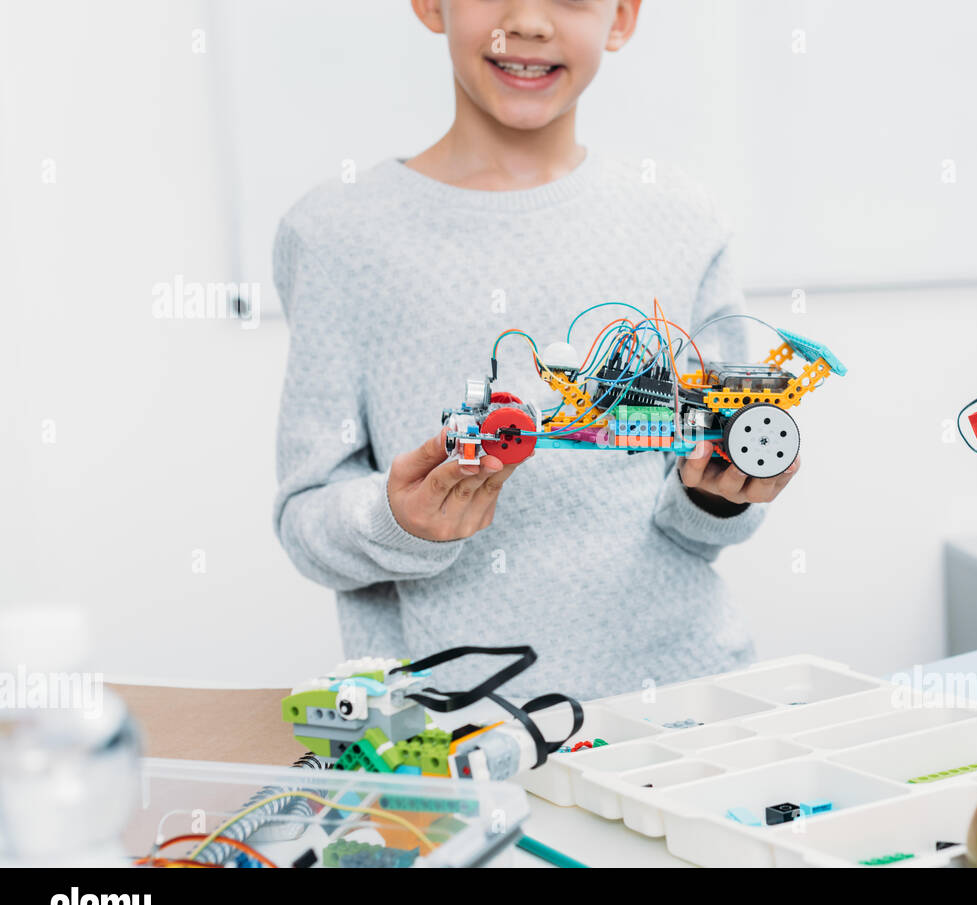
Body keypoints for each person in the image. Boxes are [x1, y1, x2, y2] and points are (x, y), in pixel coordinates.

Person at [272, 0, 800, 699]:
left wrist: (722, 496)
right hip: (453, 726)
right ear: (432, 5)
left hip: (681, 704)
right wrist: (398, 522)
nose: (528, 22)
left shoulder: (682, 219)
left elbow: (707, 514)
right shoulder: (337, 235)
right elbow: (307, 516)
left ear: (622, 17)